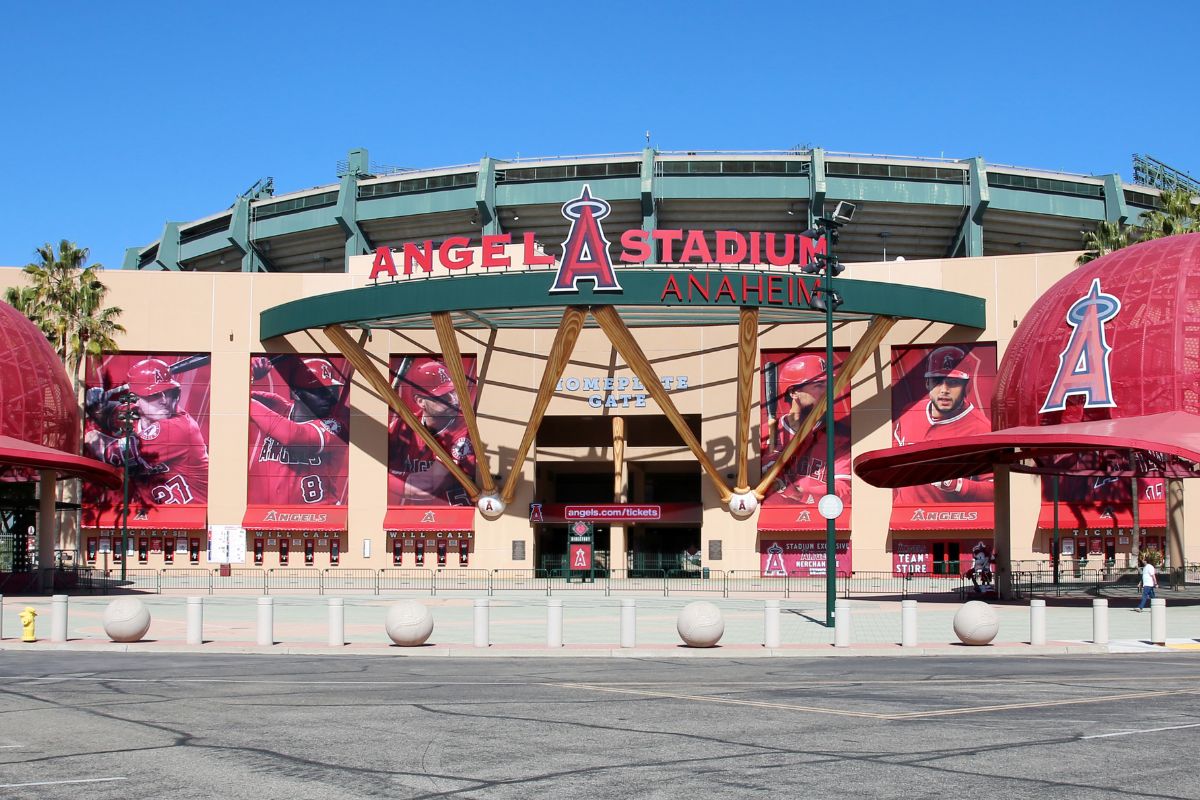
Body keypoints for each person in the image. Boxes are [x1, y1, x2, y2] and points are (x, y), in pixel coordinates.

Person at [84, 357, 209, 507]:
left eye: (168, 392)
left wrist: (88, 433)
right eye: (154, 395)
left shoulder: (179, 427)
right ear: (136, 399)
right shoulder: (134, 414)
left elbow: (112, 454)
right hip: (153, 513)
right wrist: (95, 403)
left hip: (192, 513)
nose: (164, 400)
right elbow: (105, 412)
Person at [893, 345, 993, 504]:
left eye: (953, 382)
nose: (944, 390)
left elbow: (996, 490)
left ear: (966, 387)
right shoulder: (909, 412)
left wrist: (958, 484)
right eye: (937, 381)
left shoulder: (982, 428)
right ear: (927, 383)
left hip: (947, 515)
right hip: (904, 514)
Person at [247, 356, 349, 506]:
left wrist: (245, 402)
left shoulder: (336, 426)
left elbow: (293, 436)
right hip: (278, 515)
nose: (328, 397)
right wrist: (250, 375)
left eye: (332, 390)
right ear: (296, 393)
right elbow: (230, 397)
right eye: (319, 391)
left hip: (322, 513)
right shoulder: (278, 406)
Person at [763, 354, 852, 505]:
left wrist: (799, 493)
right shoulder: (766, 434)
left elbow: (844, 491)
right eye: (819, 386)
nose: (827, 392)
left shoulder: (838, 437)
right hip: (772, 516)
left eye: (828, 385)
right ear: (793, 392)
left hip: (820, 517)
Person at [388, 359, 476, 505]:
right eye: (442, 396)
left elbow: (425, 487)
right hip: (415, 516)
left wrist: (376, 474)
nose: (453, 400)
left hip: (457, 514)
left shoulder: (465, 431)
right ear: (420, 401)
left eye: (453, 391)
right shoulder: (403, 425)